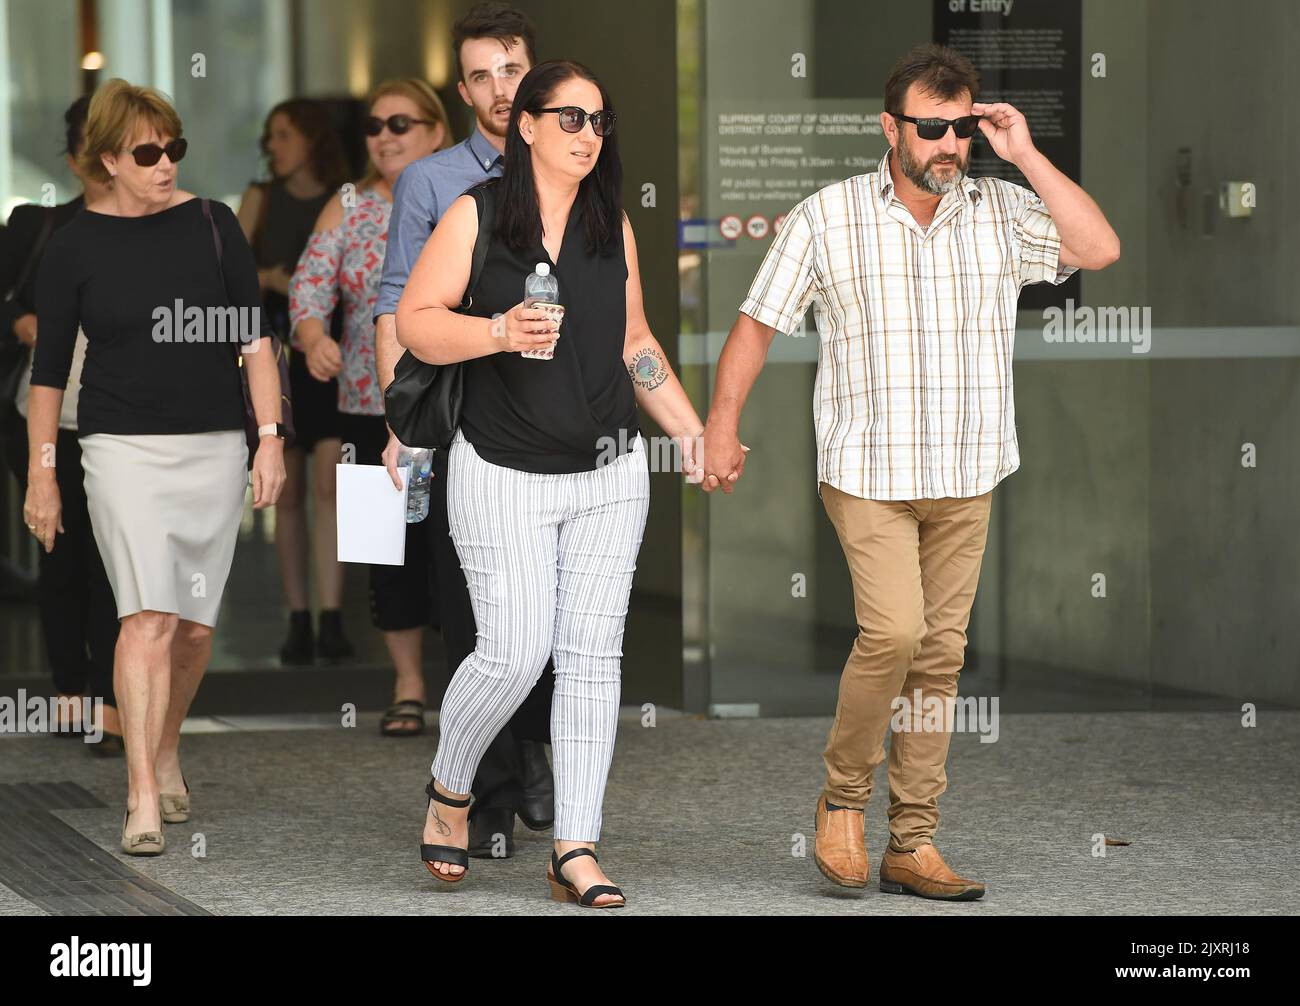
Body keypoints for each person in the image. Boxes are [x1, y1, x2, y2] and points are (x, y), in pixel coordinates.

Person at [701, 43, 1120, 899]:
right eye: (932, 129)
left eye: (961, 130)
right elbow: (755, 325)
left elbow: (1099, 248)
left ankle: (913, 842)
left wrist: (1026, 152)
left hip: (968, 470)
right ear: (889, 127)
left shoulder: (1001, 209)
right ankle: (843, 801)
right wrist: (719, 425)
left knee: (939, 658)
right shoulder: (828, 216)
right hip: (867, 469)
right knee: (893, 632)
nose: (948, 147)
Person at [397, 59, 707, 908]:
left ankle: (576, 843)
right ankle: (450, 786)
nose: (587, 135)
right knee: (511, 653)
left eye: (599, 122)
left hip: (609, 472)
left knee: (592, 662)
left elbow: (635, 341)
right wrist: (496, 330)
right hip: (502, 467)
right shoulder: (478, 215)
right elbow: (416, 324)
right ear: (525, 125)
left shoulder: (613, 225)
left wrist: (695, 432)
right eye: (569, 119)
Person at [25, 79, 287, 856]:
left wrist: (269, 437)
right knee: (148, 616)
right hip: (119, 448)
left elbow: (256, 343)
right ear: (106, 159)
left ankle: (165, 744)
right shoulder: (74, 244)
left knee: (195, 630)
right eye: (147, 152)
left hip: (213, 446)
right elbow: (46, 377)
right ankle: (140, 790)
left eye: (174, 147)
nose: (166, 162)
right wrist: (45, 473)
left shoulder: (213, 225)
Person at [374, 1, 556, 856]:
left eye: (511, 69)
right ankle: (485, 792)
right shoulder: (431, 180)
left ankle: (532, 748)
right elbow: (393, 308)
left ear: (535, 73)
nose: (497, 88)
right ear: (463, 88)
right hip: (461, 420)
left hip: (557, 425)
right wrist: (398, 425)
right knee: (468, 608)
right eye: (480, 74)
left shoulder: (573, 156)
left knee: (547, 607)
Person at [289, 78, 452, 736]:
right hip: (367, 404)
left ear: (437, 131)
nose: (384, 136)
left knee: (461, 548)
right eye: (375, 126)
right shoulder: (350, 202)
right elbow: (308, 283)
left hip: (457, 407)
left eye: (401, 124)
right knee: (388, 553)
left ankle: (478, 693)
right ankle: (408, 683)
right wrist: (311, 335)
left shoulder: (467, 198)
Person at [0, 96, 121, 753]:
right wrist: (19, 319)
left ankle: (109, 701)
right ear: (78, 158)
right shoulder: (41, 228)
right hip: (48, 413)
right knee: (62, 555)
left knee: (115, 561)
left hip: (126, 422)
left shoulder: (168, 228)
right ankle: (72, 695)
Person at [239, 100, 352, 665]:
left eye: (284, 135)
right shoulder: (261, 196)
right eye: (271, 136)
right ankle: (297, 617)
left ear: (312, 139)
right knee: (287, 491)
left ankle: (333, 616)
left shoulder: (346, 195)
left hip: (331, 350)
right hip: (276, 350)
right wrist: (273, 278)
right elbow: (227, 275)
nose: (274, 146)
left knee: (331, 485)